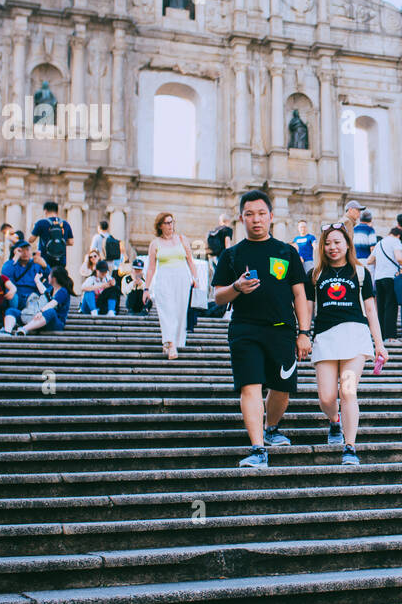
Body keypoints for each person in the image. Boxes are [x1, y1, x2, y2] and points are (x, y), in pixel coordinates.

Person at [211, 190, 311, 468]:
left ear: (271, 216)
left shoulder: (286, 251)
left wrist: (304, 332)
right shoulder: (231, 255)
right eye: (249, 214)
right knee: (250, 386)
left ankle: (271, 428)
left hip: (282, 330)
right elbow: (218, 296)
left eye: (261, 214)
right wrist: (236, 288)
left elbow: (300, 295)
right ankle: (258, 449)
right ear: (241, 218)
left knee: (281, 389)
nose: (256, 220)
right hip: (245, 329)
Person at [306, 222, 388, 465]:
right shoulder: (315, 274)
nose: (332, 247)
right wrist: (300, 334)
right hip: (325, 337)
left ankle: (350, 446)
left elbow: (371, 310)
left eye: (337, 242)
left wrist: (379, 344)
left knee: (348, 391)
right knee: (327, 397)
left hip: (355, 336)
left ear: (348, 244)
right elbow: (308, 309)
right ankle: (334, 421)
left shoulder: (361, 272)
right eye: (328, 243)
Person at [143, 212, 200, 359]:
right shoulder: (155, 243)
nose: (170, 225)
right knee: (167, 311)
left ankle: (173, 342)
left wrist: (195, 278)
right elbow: (151, 268)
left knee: (180, 312)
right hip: (164, 279)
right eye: (167, 223)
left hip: (182, 278)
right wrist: (146, 288)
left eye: (172, 222)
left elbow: (190, 261)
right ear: (160, 226)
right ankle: (171, 344)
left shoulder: (182, 239)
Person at [14, 266, 75, 335]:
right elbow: (43, 290)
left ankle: (24, 329)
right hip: (43, 322)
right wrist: (37, 280)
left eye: (49, 275)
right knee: (12, 311)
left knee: (51, 311)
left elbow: (53, 303)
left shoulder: (63, 291)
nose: (48, 276)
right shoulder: (51, 289)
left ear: (54, 278)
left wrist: (41, 311)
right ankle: (7, 331)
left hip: (56, 324)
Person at [372, 225, 402, 343]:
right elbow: (399, 258)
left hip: (378, 278)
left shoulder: (380, 243)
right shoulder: (395, 241)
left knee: (381, 307)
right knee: (391, 306)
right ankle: (390, 336)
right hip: (390, 277)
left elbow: (370, 260)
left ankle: (381, 335)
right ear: (399, 235)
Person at [1, 240, 46, 310]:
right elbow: (5, 275)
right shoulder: (11, 263)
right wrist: (15, 258)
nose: (25, 253)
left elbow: (48, 276)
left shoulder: (36, 264)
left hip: (32, 294)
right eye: (21, 250)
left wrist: (44, 265)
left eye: (27, 250)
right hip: (17, 294)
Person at [29, 201, 73, 270]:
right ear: (57, 211)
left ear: (45, 211)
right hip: (60, 260)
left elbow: (31, 240)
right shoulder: (65, 224)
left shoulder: (41, 223)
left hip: (45, 261)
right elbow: (71, 242)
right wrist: (58, 241)